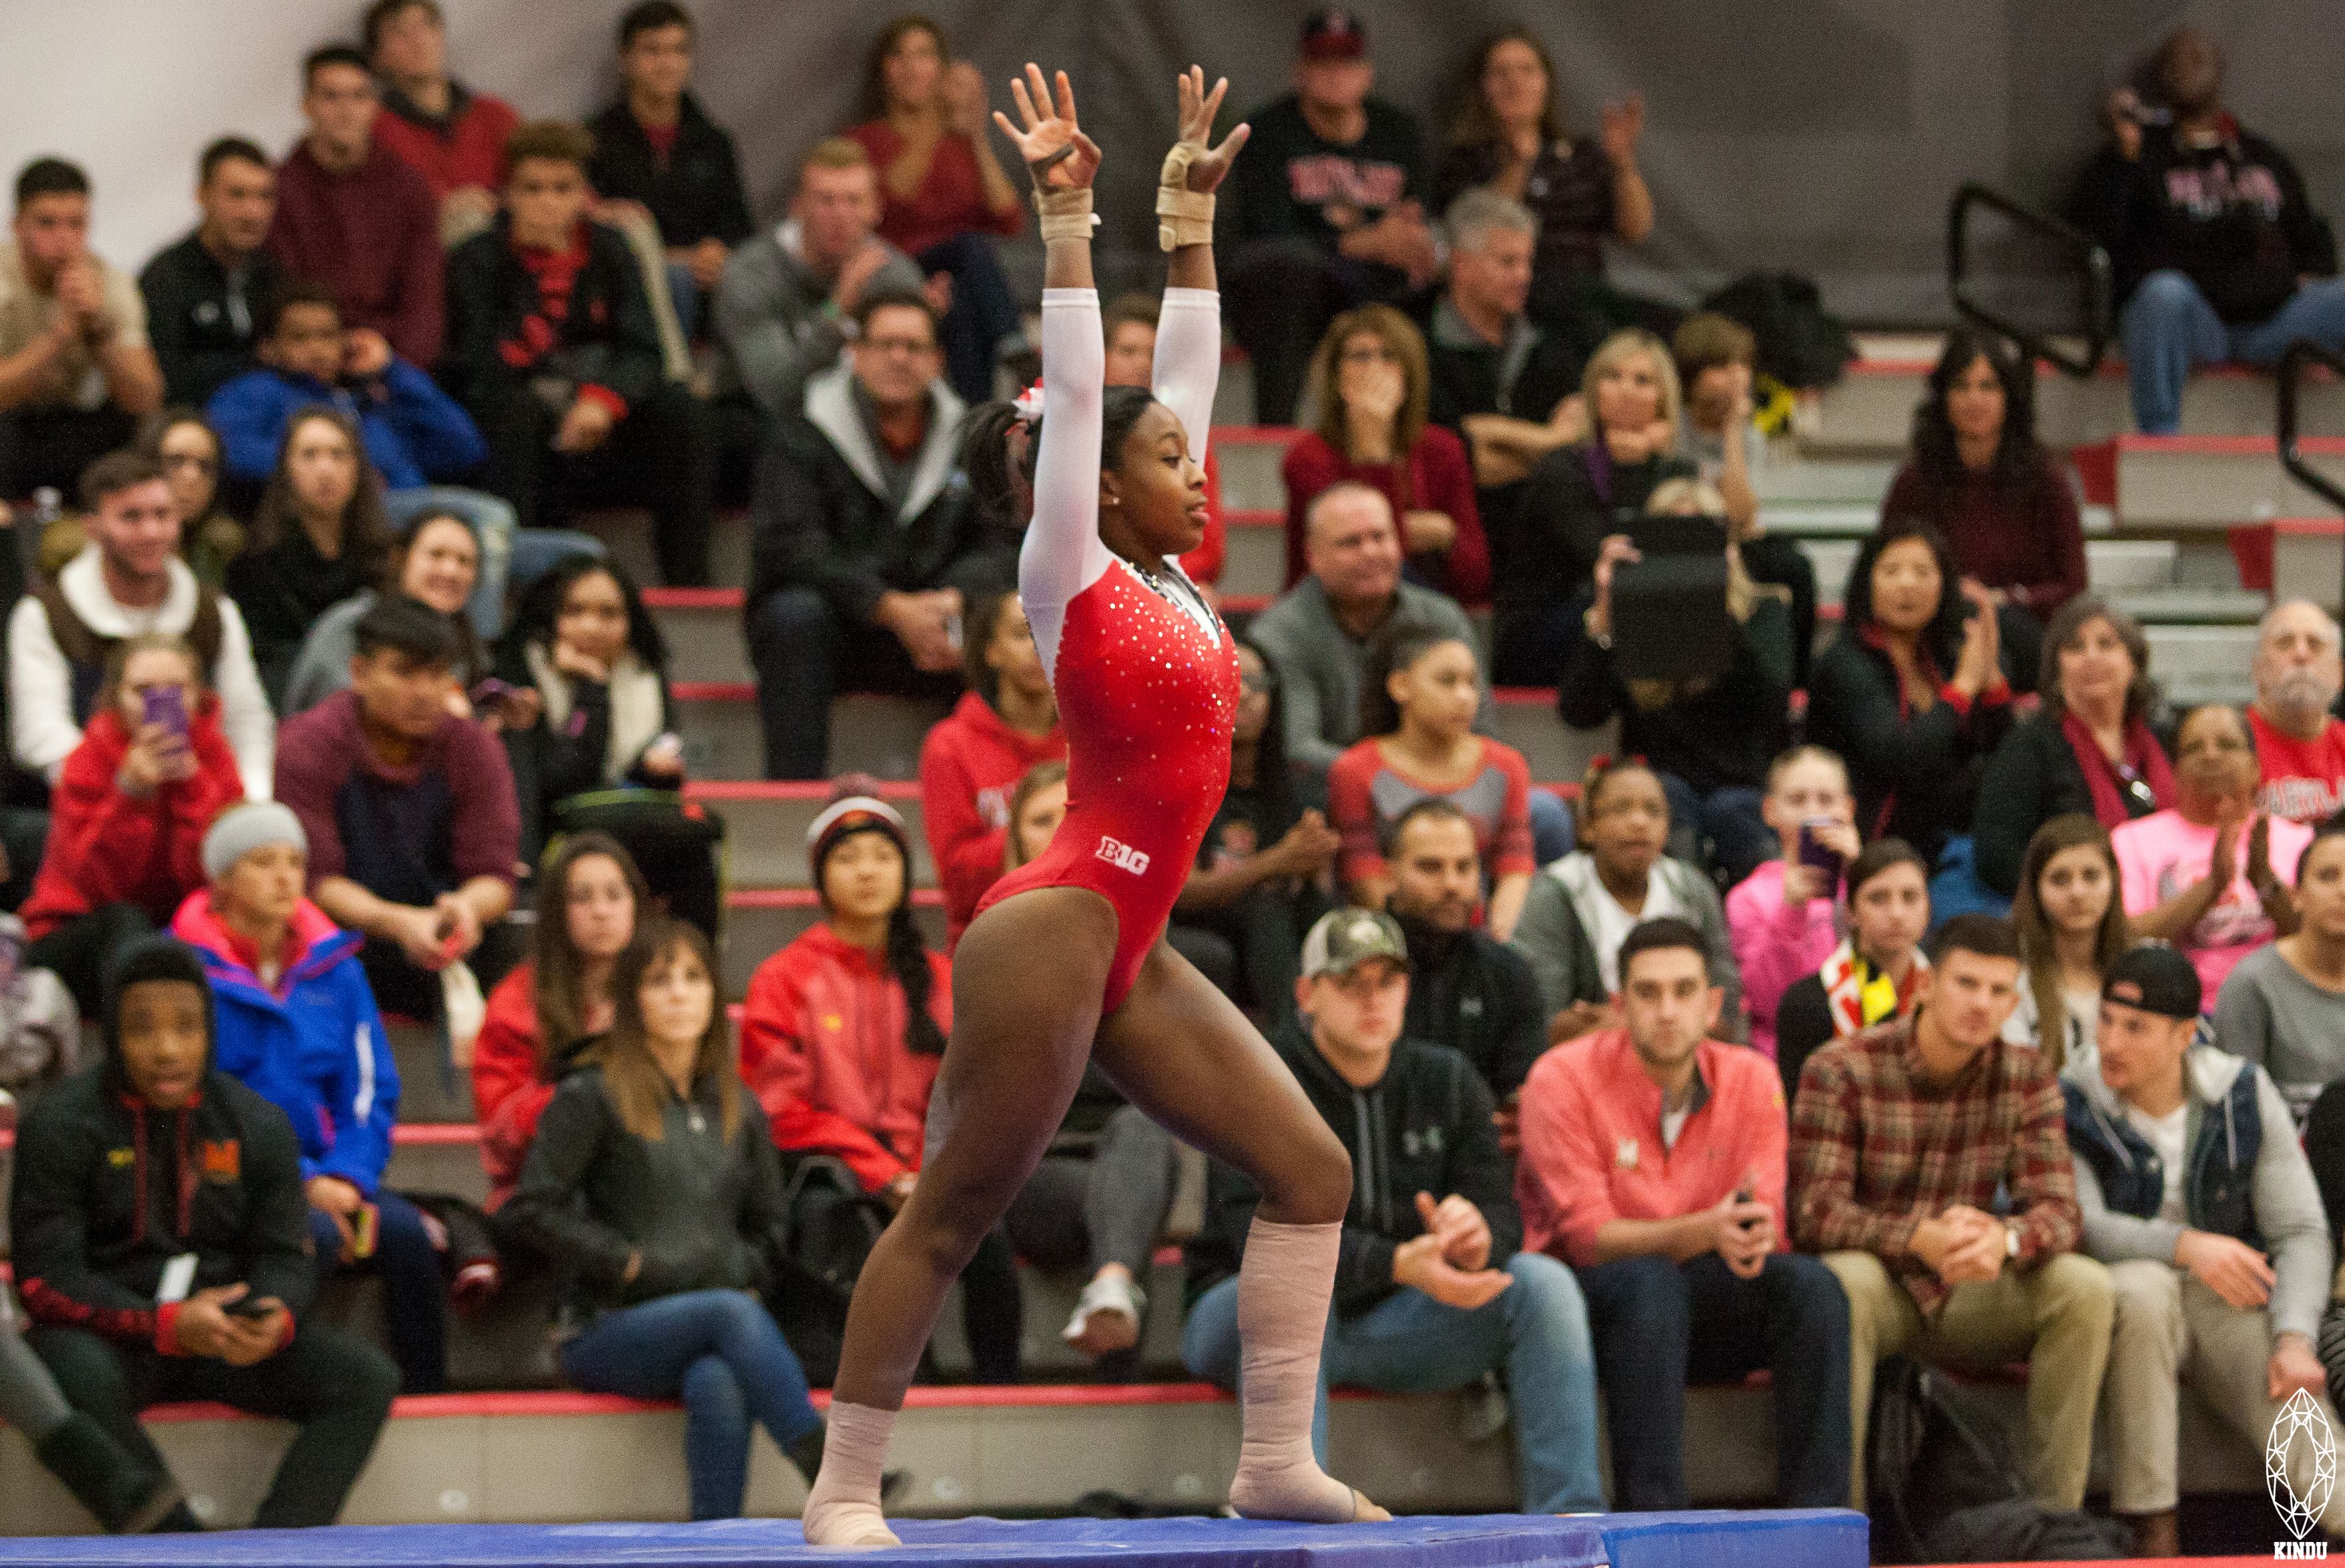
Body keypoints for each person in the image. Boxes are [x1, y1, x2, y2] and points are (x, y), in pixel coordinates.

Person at [797, 69, 1390, 1543]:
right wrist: (1065, 215)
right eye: (1167, 463)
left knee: (1311, 1167)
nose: (1200, 476)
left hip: (1129, 934)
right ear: (1097, 489)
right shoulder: (1067, 576)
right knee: (955, 1205)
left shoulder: (1174, 567)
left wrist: (1185, 213)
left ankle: (1268, 1461)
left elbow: (1169, 374)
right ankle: (842, 1488)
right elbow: (1091, 400)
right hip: (1055, 920)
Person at [1183, 907, 1606, 1515]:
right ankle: (1296, 1521)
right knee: (1299, 1294)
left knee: (1543, 1286)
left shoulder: (1450, 1079)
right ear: (1307, 994)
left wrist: (1477, 1237)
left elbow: (1501, 1210)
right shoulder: (1262, 1081)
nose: (1372, 999)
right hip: (1244, 1320)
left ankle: (1571, 1524)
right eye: (1351, 984)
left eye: (1388, 982)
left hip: (1400, 1325)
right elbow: (1252, 1233)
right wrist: (1394, 1264)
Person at [10, 937, 398, 1529]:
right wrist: (162, 1324)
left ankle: (278, 1548)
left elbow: (285, 1254)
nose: (167, 1050)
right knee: (71, 1365)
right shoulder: (62, 1124)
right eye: (143, 1030)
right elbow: (46, 1281)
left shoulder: (255, 1122)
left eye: (186, 1029)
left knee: (366, 1377)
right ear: (114, 1034)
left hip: (221, 1332)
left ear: (210, 1032)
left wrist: (272, 1315)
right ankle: (175, 1542)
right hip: (119, 1338)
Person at [502, 919, 837, 1521]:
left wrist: (734, 1264)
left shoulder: (741, 1105)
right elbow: (532, 1208)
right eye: (660, 982)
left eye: (693, 978)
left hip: (711, 1323)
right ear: (632, 1001)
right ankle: (830, 1472)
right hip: (604, 1327)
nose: (680, 994)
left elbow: (771, 1226)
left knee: (719, 1379)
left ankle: (715, 1549)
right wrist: (624, 1262)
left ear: (714, 995)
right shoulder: (590, 1095)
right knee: (730, 1309)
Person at [1520, 915, 1850, 1511]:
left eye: (1684, 991)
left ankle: (1817, 1522)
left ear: (1713, 1003)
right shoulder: (1560, 1077)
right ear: (1619, 1004)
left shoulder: (1752, 1077)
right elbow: (1589, 1238)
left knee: (1813, 1287)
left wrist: (1744, 1234)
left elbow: (1760, 1219)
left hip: (1703, 1290)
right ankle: (1655, 1520)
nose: (1667, 1010)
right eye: (1648, 993)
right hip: (1596, 1301)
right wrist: (1704, 1229)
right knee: (1650, 1284)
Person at [1790, 914, 2113, 1512]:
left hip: (1973, 1287)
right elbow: (1814, 1215)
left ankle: (2054, 1526)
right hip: (1883, 1288)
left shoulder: (2027, 1076)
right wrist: (1917, 1238)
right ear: (1926, 986)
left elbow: (2061, 1211)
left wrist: (2004, 1240)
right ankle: (1845, 1530)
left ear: (2015, 1001)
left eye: (1997, 992)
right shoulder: (1840, 1068)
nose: (1981, 1004)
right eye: (1966, 984)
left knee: (2085, 1287)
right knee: (1844, 1282)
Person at [2061, 942, 2339, 1555]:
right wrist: (2186, 1245)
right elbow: (2080, 1222)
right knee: (2143, 1290)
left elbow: (2301, 1230)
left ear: (2186, 1033)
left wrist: (2295, 1336)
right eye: (2106, 1020)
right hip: (2129, 1289)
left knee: (2294, 1397)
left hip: (2225, 1289)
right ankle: (2152, 1530)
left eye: (2136, 1027)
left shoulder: (2241, 1090)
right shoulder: (2071, 1094)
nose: (2112, 1042)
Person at [737, 790, 1020, 1385]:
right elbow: (780, 1108)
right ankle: (916, 1382)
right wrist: (884, 1174)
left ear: (904, 872)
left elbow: (973, 1096)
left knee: (988, 1232)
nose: (867, 871)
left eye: (882, 857)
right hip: (837, 1172)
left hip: (932, 1169)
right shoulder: (784, 978)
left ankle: (1003, 1386)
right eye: (848, 859)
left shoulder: (944, 977)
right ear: (821, 878)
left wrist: (924, 1172)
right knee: (848, 1218)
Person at [170, 802, 446, 1396]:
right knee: (311, 1236)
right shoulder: (183, 971)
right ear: (221, 880)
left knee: (407, 1236)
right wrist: (299, 1182)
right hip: (226, 1182)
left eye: (295, 862)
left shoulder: (336, 968)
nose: (284, 877)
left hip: (330, 1175)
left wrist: (347, 1175)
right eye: (262, 862)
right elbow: (195, 1107)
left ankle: (428, 1399)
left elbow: (370, 1089)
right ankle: (269, 1380)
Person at [442, 119, 715, 587]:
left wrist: (602, 401)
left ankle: (688, 585)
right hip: (523, 416)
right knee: (514, 418)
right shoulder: (479, 259)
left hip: (600, 413)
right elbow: (475, 363)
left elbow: (644, 350)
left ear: (583, 194)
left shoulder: (611, 250)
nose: (548, 202)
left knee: (683, 414)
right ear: (508, 193)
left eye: (562, 188)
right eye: (532, 189)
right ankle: (525, 584)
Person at [745, 284, 996, 782]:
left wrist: (954, 599)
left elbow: (1004, 544)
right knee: (794, 614)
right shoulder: (801, 431)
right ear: (855, 354)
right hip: (838, 629)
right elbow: (787, 545)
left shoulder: (972, 438)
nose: (900, 359)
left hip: (932, 633)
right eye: (885, 345)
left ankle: (985, 799)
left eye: (915, 347)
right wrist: (885, 605)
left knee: (997, 619)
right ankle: (793, 793)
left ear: (938, 361)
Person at [2069, 25, 2345, 436]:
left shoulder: (2259, 154)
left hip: (2271, 319)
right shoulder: (2139, 157)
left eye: (2202, 51)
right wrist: (2127, 151)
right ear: (2162, 75)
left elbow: (2312, 236)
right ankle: (2161, 445)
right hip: (2193, 322)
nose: (2193, 56)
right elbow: (2106, 240)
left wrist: (2307, 281)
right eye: (2182, 53)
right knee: (2163, 293)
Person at [274, 595, 519, 1026]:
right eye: (404, 672)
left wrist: (465, 909)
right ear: (359, 673)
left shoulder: (474, 747)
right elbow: (313, 881)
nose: (425, 692)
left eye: (438, 674)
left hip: (447, 929)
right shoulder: (307, 745)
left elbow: (495, 874)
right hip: (343, 935)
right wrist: (399, 922)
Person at [1558, 478, 1796, 885]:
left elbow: (1773, 703)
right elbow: (1579, 712)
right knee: (1668, 797)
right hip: (1656, 790)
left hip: (1742, 789)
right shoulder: (1632, 619)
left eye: (1698, 539)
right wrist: (1605, 611)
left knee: (1729, 809)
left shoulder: (1764, 611)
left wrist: (1719, 599)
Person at [8, 450, 272, 799]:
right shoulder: (43, 614)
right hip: (80, 807)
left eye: (163, 515)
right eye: (131, 518)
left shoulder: (215, 611)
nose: (151, 532)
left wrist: (249, 805)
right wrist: (123, 786)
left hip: (198, 801)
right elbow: (40, 735)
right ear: (93, 528)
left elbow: (247, 721)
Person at [1221, 11, 1436, 426]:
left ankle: (1421, 438)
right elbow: (1268, 235)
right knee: (1284, 269)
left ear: (1367, 73)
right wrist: (1364, 242)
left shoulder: (1399, 133)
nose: (1336, 74)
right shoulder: (1267, 133)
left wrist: (1401, 242)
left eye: (1348, 63)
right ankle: (1277, 432)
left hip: (1380, 284)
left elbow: (1414, 223)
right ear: (1299, 72)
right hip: (1296, 288)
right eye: (1323, 63)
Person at [19, 634, 243, 1014]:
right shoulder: (87, 760)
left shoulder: (216, 758)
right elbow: (97, 888)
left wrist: (193, 789)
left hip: (175, 928)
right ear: (115, 699)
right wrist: (130, 796)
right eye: (143, 691)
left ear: (198, 696)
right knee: (125, 920)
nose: (159, 704)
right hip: (79, 932)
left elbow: (220, 880)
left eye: (175, 690)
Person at [494, 555, 715, 937]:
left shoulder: (645, 674)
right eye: (575, 611)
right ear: (550, 616)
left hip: (620, 823)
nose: (592, 626)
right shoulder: (521, 672)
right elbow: (563, 780)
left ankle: (690, 968)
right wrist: (592, 689)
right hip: (550, 830)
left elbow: (642, 780)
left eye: (609, 613)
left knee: (692, 848)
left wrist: (654, 772)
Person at [1248, 483, 1486, 797]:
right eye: (1351, 543)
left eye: (1380, 537)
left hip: (1444, 781)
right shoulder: (1279, 633)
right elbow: (1299, 750)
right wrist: (1398, 780)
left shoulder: (1443, 618)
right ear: (1313, 557)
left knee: (1543, 812)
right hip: (1329, 793)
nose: (1370, 552)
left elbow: (1481, 730)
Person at [1879, 329, 2086, 687]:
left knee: (1993, 630)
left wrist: (2003, 598)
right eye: (1961, 386)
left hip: (2023, 630)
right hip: (1939, 624)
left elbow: (2073, 584)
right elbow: (1883, 564)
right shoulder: (1917, 479)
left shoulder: (2046, 479)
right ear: (1943, 397)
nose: (1975, 399)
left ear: (2009, 397)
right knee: (1970, 631)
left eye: (1988, 386)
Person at [1805, 520, 2013, 874]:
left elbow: (2000, 754)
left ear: (1944, 585)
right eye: (1891, 571)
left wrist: (1991, 681)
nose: (1907, 584)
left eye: (1922, 572)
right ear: (1866, 584)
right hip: (1869, 842)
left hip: (1948, 836)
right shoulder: (1844, 662)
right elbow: (1900, 760)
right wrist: (1962, 686)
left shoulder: (1945, 656)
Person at [1433, 28, 1656, 345]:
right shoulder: (1464, 159)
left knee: (1666, 325)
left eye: (1527, 70)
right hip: (1522, 293)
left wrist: (1622, 164)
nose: (1515, 82)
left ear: (1546, 83)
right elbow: (1481, 236)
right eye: (1501, 73)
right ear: (1483, 88)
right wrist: (1519, 163)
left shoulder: (1580, 153)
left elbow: (1635, 230)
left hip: (1590, 294)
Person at [844, 16, 1026, 404]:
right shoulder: (865, 140)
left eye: (924, 55)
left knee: (961, 305)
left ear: (941, 69)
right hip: (895, 269)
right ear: (883, 69)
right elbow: (894, 198)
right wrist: (937, 117)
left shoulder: (959, 143)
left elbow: (1010, 216)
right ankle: (1012, 343)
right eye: (899, 56)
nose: (912, 67)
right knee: (970, 247)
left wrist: (976, 132)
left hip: (958, 282)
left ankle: (968, 425)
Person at [1497, 328, 1692, 687]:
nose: (1626, 391)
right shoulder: (1561, 468)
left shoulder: (1677, 471)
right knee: (1625, 598)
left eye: (1643, 380)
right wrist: (1631, 467)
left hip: (1631, 613)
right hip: (1545, 624)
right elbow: (1611, 553)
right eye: (1613, 377)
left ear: (1664, 398)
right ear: (1593, 390)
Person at [1514, 757, 1746, 1044]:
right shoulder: (1555, 892)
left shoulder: (1692, 889)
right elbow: (1541, 1021)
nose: (1639, 822)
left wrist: (1620, 1020)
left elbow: (1725, 1015)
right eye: (1621, 809)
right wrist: (1671, 1021)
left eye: (1653, 811)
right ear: (1588, 826)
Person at [1327, 621, 1534, 936]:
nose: (1465, 697)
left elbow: (1514, 865)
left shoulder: (1507, 765)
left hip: (1479, 938)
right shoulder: (1355, 771)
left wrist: (1496, 942)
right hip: (1395, 937)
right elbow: (1365, 880)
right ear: (1400, 687)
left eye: (1472, 683)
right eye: (1447, 682)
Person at [472, 833, 643, 1212]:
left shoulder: (661, 988)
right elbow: (502, 1137)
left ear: (636, 907)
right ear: (555, 912)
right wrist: (587, 1097)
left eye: (615, 896)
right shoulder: (517, 1000)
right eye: (582, 898)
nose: (601, 911)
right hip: (546, 1190)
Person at [1282, 306, 1487, 605]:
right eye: (1360, 356)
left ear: (1409, 373)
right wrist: (1373, 449)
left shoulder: (1442, 449)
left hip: (1423, 611)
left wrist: (1447, 536)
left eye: (1390, 357)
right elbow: (1369, 566)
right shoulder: (1308, 458)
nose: (1374, 369)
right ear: (1337, 377)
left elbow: (1476, 578)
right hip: (1329, 610)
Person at [1172, 643, 1335, 1018]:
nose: (1245, 694)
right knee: (1261, 908)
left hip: (1278, 937)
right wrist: (1277, 862)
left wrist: (1315, 860)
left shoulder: (1299, 787)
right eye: (1229, 680)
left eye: (1257, 683)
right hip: (1205, 934)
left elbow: (1315, 888)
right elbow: (1181, 894)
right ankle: (1294, 1043)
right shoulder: (1179, 782)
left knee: (1316, 911)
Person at [1973, 595, 2173, 899]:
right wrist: (2068, 892)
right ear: (2057, 669)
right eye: (2075, 648)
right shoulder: (2030, 746)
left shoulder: (2166, 741)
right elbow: (1997, 853)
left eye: (2106, 644)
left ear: (2133, 664)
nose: (2091, 657)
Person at [715, 138, 926, 420]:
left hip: (867, 426)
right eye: (826, 200)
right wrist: (837, 311)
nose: (840, 215)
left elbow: (917, 385)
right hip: (762, 427)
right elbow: (777, 392)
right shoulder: (751, 272)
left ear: (876, 210)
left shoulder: (894, 275)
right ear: (798, 207)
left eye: (854, 200)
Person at [208, 280, 483, 495]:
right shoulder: (256, 391)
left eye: (327, 335)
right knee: (486, 517)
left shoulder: (370, 400)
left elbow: (462, 447)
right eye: (300, 337)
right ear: (269, 348)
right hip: (333, 520)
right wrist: (337, 471)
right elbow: (225, 448)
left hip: (407, 517)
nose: (317, 348)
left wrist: (392, 370)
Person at [1424, 189, 1585, 550]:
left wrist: (1495, 435)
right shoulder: (1421, 346)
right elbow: (1455, 461)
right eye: (1507, 263)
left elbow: (1581, 441)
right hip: (1459, 543)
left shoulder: (1552, 337)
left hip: (1545, 545)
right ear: (1461, 266)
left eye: (1527, 262)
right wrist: (1550, 444)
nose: (1524, 275)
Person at [2113, 702, 2307, 999]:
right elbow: (2123, 939)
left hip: (2281, 1005)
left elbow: (2322, 941)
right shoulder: (2131, 840)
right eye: (2194, 748)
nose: (2210, 755)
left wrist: (2264, 880)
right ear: (2174, 772)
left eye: (2227, 745)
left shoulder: (2297, 839)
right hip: (2172, 1007)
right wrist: (2213, 884)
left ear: (2256, 767)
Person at [269, 45, 442, 372]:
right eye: (331, 97)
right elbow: (279, 296)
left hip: (392, 362)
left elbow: (424, 306)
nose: (346, 111)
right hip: (305, 365)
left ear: (375, 106)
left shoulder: (409, 188)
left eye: (359, 96)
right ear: (307, 106)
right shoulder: (279, 190)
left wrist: (390, 359)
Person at [588, 1, 753, 338]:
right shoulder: (594, 141)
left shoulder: (713, 141)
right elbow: (594, 230)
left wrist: (718, 251)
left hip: (707, 290)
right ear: (626, 60)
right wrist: (670, 259)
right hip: (627, 288)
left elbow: (739, 226)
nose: (667, 63)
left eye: (678, 51)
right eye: (652, 51)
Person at [0, 159, 163, 498]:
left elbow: (145, 398)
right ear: (17, 226)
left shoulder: (111, 283)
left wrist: (98, 330)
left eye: (76, 224)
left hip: (77, 427)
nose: (64, 239)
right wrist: (60, 335)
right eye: (47, 224)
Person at [1670, 312, 1816, 684]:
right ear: (1692, 374)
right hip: (1679, 541)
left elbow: (1741, 518)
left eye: (1742, 365)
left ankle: (1795, 684)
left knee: (1796, 568)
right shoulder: (1670, 426)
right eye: (1721, 366)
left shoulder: (1747, 434)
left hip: (1733, 541)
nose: (1737, 377)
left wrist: (1733, 430)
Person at [1381, 798, 1546, 1116]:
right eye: (1431, 867)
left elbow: (1518, 1097)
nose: (1452, 884)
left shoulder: (1509, 974)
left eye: (1464, 867)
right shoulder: (1356, 973)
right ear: (1390, 874)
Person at [918, 590, 1064, 946]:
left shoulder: (1092, 736)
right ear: (992, 650)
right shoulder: (949, 745)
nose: (1038, 646)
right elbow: (957, 880)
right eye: (1021, 633)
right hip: (990, 935)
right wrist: (1040, 835)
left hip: (1085, 924)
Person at [224, 407, 395, 701]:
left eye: (338, 455)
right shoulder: (254, 565)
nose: (325, 469)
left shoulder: (382, 558)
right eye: (310, 455)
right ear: (287, 469)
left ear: (357, 468)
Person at [282, 509, 496, 717]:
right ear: (400, 559)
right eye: (436, 554)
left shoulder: (467, 645)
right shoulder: (351, 622)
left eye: (464, 562)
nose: (450, 571)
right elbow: (331, 712)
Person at [1726, 746, 1862, 1062]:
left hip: (1862, 1051)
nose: (1813, 813)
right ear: (1770, 811)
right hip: (1782, 1058)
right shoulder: (1749, 898)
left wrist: (1862, 878)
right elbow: (1765, 1002)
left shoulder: (1868, 884)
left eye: (1827, 800)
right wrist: (1790, 911)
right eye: (1797, 800)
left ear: (1849, 809)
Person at [1772, 839, 1933, 1102]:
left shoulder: (1944, 994)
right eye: (1878, 898)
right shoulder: (1805, 1002)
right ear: (1850, 912)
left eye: (1910, 897)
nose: (1897, 914)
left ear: (1928, 908)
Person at [139, 139, 284, 407]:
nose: (253, 212)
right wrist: (256, 361)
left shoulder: (272, 274)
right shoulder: (166, 278)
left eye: (264, 196)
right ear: (202, 196)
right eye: (237, 195)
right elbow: (168, 383)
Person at [2219, 821, 2345, 1126]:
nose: (2344, 890)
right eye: (2328, 877)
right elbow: (2235, 1117)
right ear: (2296, 896)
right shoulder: (2252, 984)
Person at [364, 0, 519, 246]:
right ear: (379, 58)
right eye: (399, 33)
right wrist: (448, 206)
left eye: (426, 26)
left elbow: (545, 170)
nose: (418, 40)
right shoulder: (375, 131)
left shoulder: (493, 113)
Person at [1103, 294, 1228, 592]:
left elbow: (1210, 550)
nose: (1143, 364)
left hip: (1167, 578)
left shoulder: (1182, 434)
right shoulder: (1068, 427)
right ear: (1100, 355)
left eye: (1153, 354)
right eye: (1128, 351)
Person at [2007, 815, 2129, 1066]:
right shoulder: (2010, 972)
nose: (2077, 893)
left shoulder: (2144, 963)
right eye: (2060, 879)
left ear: (2113, 882)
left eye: (2091, 876)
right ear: (2035, 889)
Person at [2249, 599, 2345, 825]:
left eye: (2315, 644)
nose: (2301, 654)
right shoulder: (2231, 745)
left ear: (2339, 674)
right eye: (2285, 643)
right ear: (2258, 669)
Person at [137, 409, 245, 586]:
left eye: (206, 467)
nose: (192, 476)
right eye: (176, 461)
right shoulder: (105, 547)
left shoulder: (218, 552)